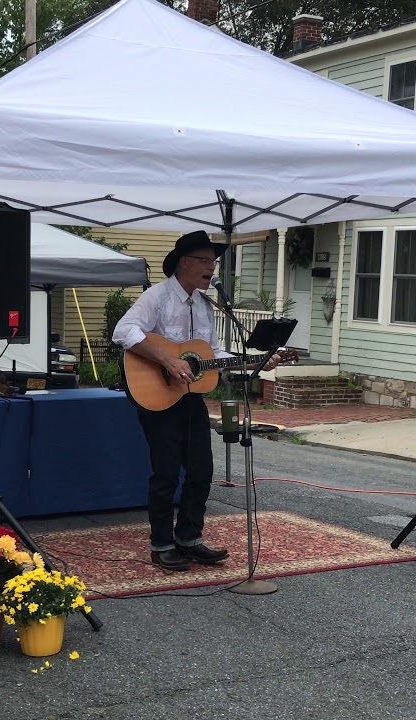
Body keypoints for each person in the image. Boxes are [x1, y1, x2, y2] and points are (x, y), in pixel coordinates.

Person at [113, 230, 281, 572]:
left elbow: (211, 353)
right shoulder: (157, 298)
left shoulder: (206, 304)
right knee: (166, 472)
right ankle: (161, 544)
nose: (212, 268)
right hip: (157, 395)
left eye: (214, 261)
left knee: (202, 470)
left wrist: (253, 360)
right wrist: (168, 360)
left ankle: (190, 538)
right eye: (206, 261)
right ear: (184, 262)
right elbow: (124, 331)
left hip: (190, 396)